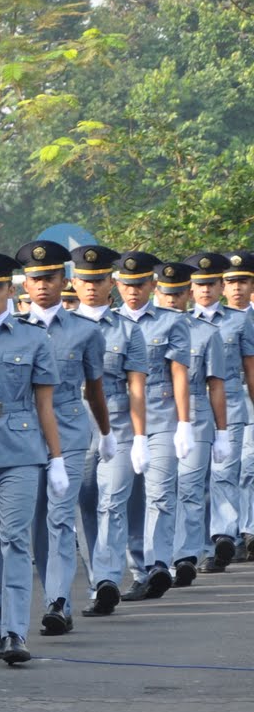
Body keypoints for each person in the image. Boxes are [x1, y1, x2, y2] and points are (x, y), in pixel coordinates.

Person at [0, 251, 65, 666]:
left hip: (22, 450)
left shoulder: (34, 337)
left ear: (10, 290)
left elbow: (45, 405)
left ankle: (16, 630)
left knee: (15, 539)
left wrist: (55, 457)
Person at [17, 240, 110, 636]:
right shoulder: (12, 331)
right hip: (23, 435)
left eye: (50, 277)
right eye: (35, 278)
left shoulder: (84, 331)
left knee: (59, 517)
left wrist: (106, 433)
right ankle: (51, 590)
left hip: (70, 430)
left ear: (64, 279)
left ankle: (58, 601)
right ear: (24, 284)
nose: (42, 285)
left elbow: (95, 387)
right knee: (36, 522)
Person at [69, 246, 149, 617]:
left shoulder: (128, 329)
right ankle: (95, 578)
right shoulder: (62, 328)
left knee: (111, 502)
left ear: (110, 284)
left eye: (98, 280)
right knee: (84, 506)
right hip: (72, 423)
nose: (90, 286)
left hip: (117, 423)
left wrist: (141, 435)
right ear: (73, 281)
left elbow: (136, 386)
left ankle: (107, 580)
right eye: (84, 280)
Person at [116, 252, 193, 601]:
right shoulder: (107, 324)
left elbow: (179, 373)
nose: (133, 291)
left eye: (140, 284)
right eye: (127, 285)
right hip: (120, 420)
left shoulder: (171, 322)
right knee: (130, 499)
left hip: (161, 415)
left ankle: (159, 563)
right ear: (117, 285)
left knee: (160, 493)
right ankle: (139, 570)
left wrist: (184, 423)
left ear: (152, 285)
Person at [172, 254, 233, 583]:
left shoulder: (206, 333)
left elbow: (216, 385)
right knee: (162, 491)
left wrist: (221, 432)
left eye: (177, 292)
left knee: (190, 487)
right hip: (154, 415)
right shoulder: (138, 329)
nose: (171, 298)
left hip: (196, 414)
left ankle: (186, 554)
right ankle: (157, 556)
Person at [220, 252, 254, 560]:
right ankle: (235, 534)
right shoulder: (212, 319)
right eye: (230, 281)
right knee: (232, 468)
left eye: (243, 280)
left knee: (250, 466)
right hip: (226, 402)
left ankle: (248, 530)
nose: (237, 288)